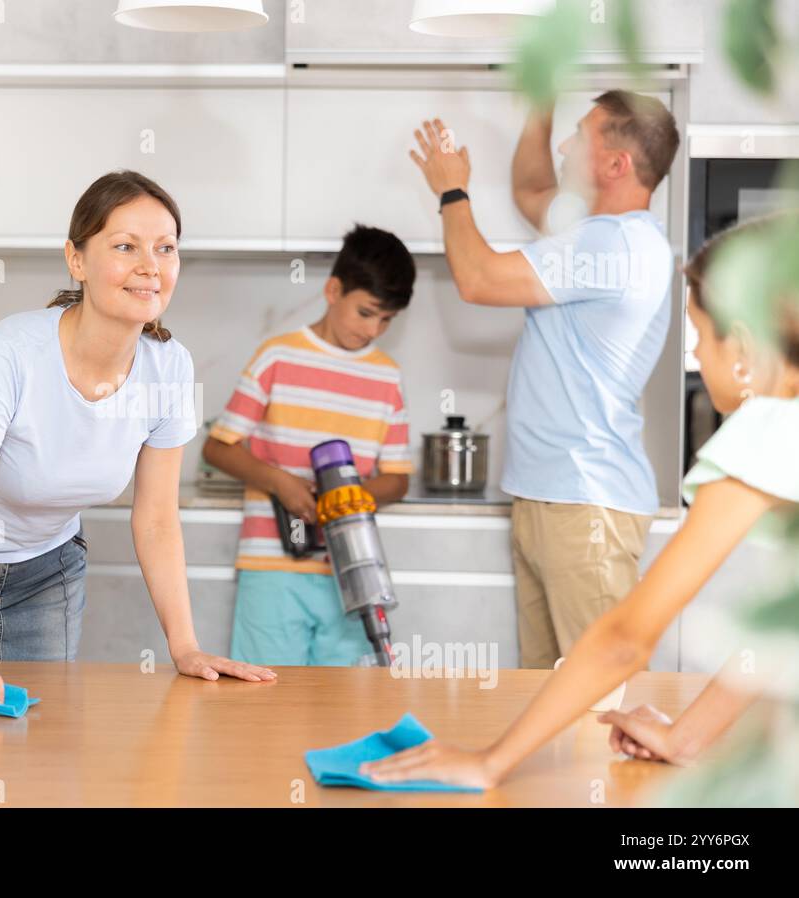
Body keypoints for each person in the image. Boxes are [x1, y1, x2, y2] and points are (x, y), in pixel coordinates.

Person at [359, 217, 799, 792]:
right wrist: (686, 738)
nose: (694, 352)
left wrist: (488, 762)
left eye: (697, 335)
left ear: (741, 344)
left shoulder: (771, 430)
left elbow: (625, 639)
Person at [0, 170, 277, 707]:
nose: (150, 266)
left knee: (40, 752)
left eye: (166, 248)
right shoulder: (10, 354)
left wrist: (185, 647)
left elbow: (156, 519)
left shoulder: (171, 368)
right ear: (76, 259)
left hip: (42, 570)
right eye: (126, 246)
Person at [408, 90, 681, 667]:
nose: (563, 145)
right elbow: (531, 191)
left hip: (585, 505)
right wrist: (539, 102)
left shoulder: (611, 244)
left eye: (579, 137)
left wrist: (451, 190)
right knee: (549, 694)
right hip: (554, 498)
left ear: (615, 165)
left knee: (600, 697)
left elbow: (479, 279)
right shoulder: (604, 235)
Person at [201, 225, 415, 666]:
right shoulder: (277, 357)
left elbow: (396, 481)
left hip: (352, 573)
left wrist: (352, 496)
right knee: (264, 705)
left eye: (387, 320)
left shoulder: (386, 377)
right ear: (333, 290)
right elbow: (218, 448)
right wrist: (281, 482)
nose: (373, 329)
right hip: (272, 570)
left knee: (347, 707)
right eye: (366, 312)